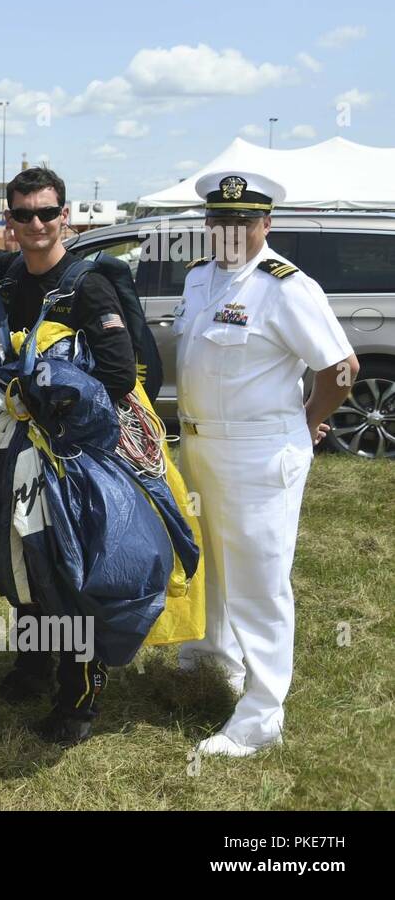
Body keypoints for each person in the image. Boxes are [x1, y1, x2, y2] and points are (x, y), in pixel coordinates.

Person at [175, 171, 357, 757]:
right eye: (220, 221)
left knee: (259, 579)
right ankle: (215, 655)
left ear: (265, 225)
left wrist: (306, 423)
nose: (230, 232)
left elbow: (341, 369)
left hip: (258, 451)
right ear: (208, 224)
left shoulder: (285, 286)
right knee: (210, 559)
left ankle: (261, 714)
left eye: (243, 221)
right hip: (200, 445)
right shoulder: (200, 278)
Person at [0, 165, 135, 747]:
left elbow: (120, 375)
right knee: (21, 554)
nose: (36, 224)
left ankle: (78, 698)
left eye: (46, 213)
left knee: (69, 569)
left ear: (65, 217)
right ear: (10, 221)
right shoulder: (7, 281)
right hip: (21, 445)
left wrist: (52, 387)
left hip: (75, 452)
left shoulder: (88, 286)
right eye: (23, 214)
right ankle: (33, 664)